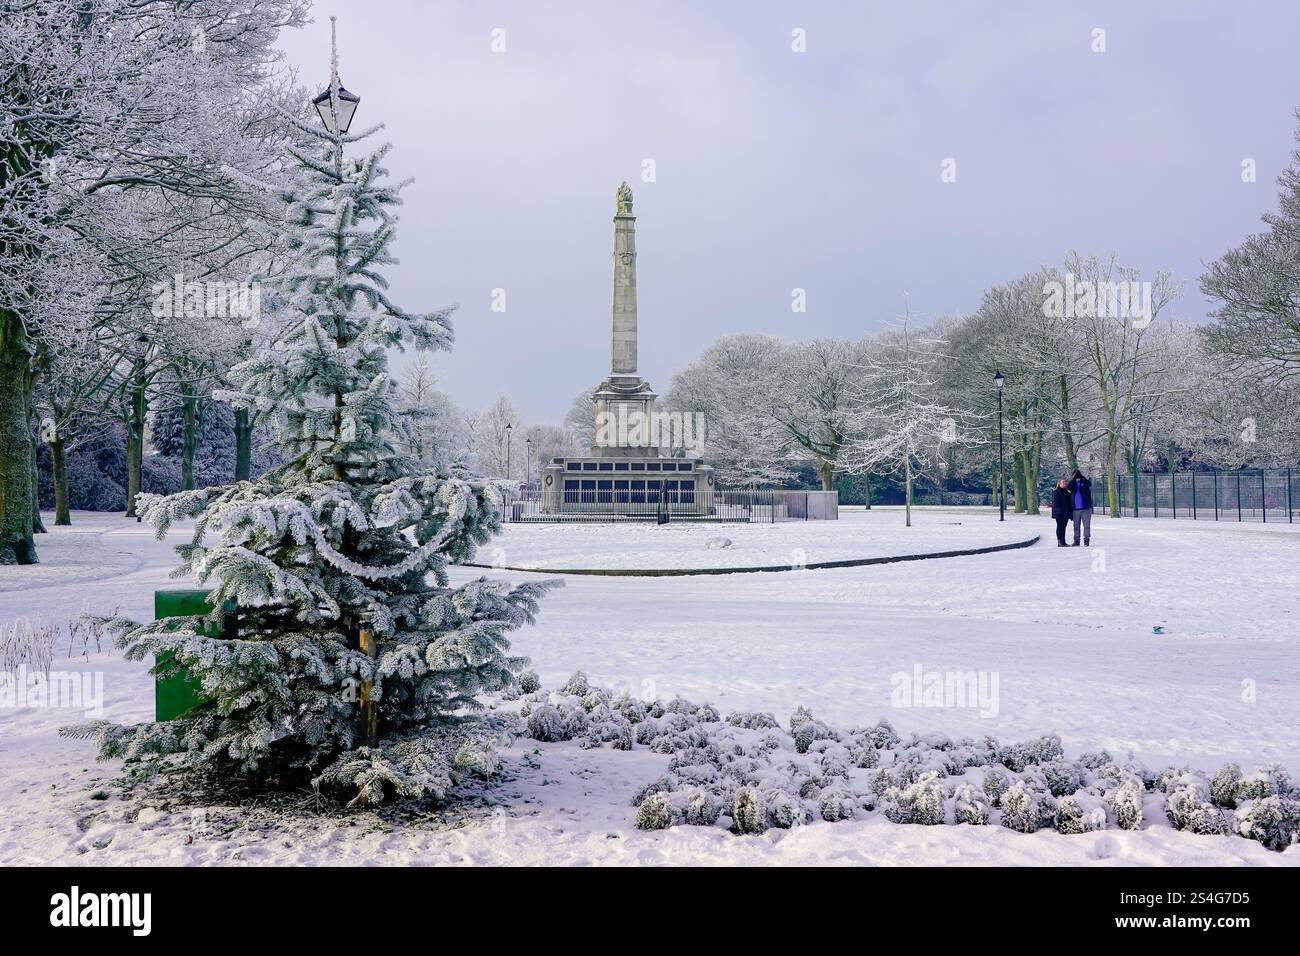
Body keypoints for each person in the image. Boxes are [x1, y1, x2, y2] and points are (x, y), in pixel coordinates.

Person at [1068, 469, 1093, 547]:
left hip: (1086, 508)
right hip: (1075, 509)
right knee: (1076, 526)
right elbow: (1069, 487)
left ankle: (1086, 540)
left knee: (1086, 525)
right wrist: (1073, 479)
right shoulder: (1073, 484)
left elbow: (1089, 483)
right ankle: (1076, 541)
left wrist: (1082, 478)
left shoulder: (1085, 482)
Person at [1050, 478, 1073, 547]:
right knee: (1060, 527)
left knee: (1063, 527)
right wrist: (1057, 513)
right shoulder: (1056, 492)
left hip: (1066, 513)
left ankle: (1063, 541)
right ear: (1059, 484)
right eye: (1062, 482)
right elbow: (1055, 504)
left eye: (1065, 483)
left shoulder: (1067, 493)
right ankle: (1059, 541)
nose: (1064, 484)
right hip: (1059, 513)